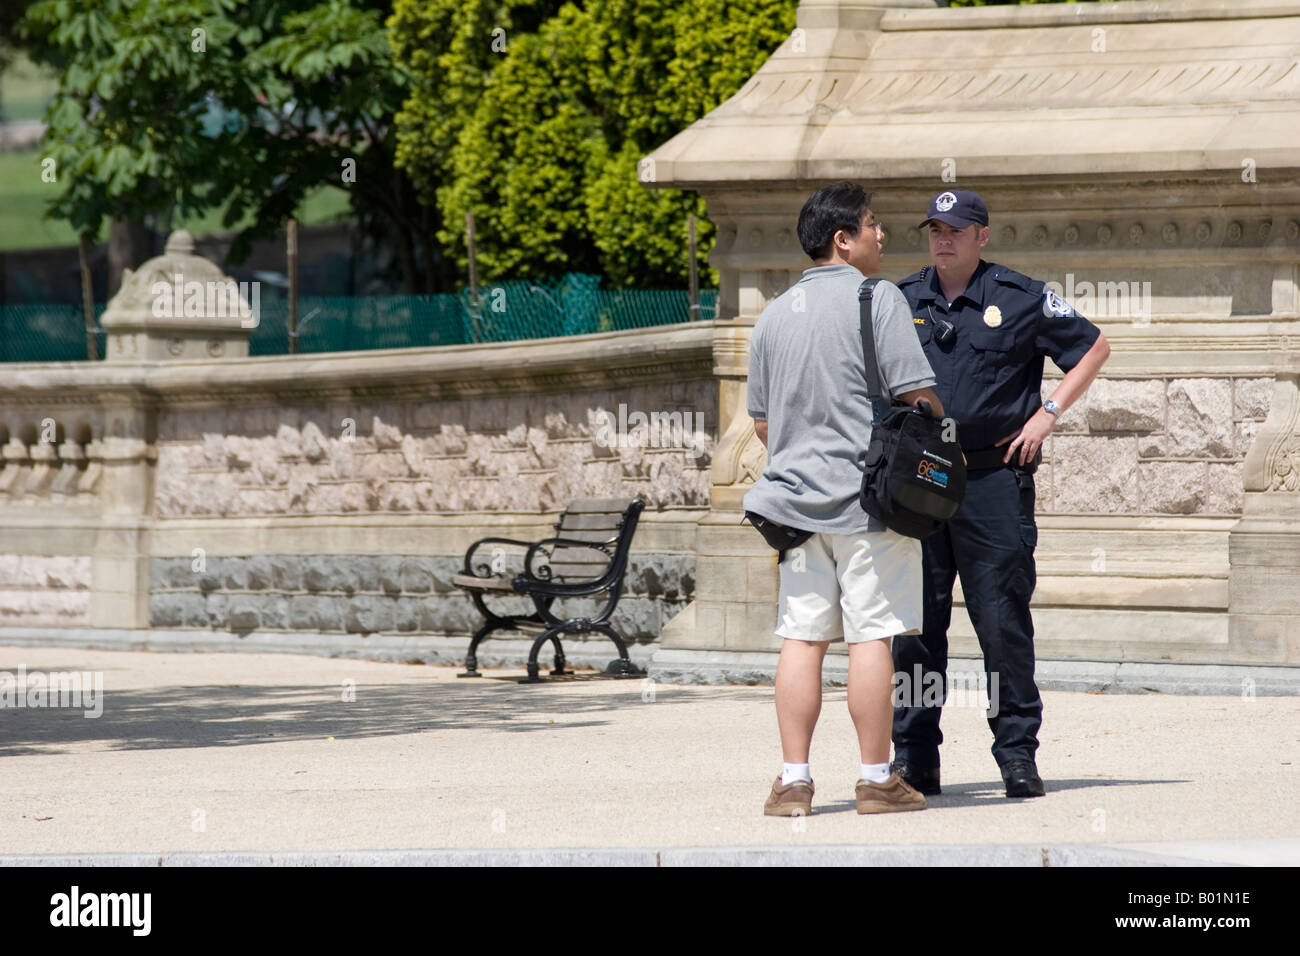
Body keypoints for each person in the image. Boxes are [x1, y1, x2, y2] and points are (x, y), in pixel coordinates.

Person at [891, 189, 1111, 798]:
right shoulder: (903, 299)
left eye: (956, 230)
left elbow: (1094, 346)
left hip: (993, 479)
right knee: (915, 625)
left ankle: (1016, 753)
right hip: (924, 479)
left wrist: (1047, 413)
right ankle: (915, 757)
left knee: (1002, 623)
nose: (944, 239)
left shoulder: (1019, 297)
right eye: (935, 229)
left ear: (981, 236)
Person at [745, 181, 945, 817]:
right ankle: (876, 779)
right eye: (873, 225)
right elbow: (919, 397)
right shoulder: (877, 298)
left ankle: (794, 782)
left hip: (793, 510)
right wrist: (941, 434)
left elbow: (762, 427)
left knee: (802, 640)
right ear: (843, 239)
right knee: (871, 640)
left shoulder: (773, 315)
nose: (882, 235)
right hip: (870, 505)